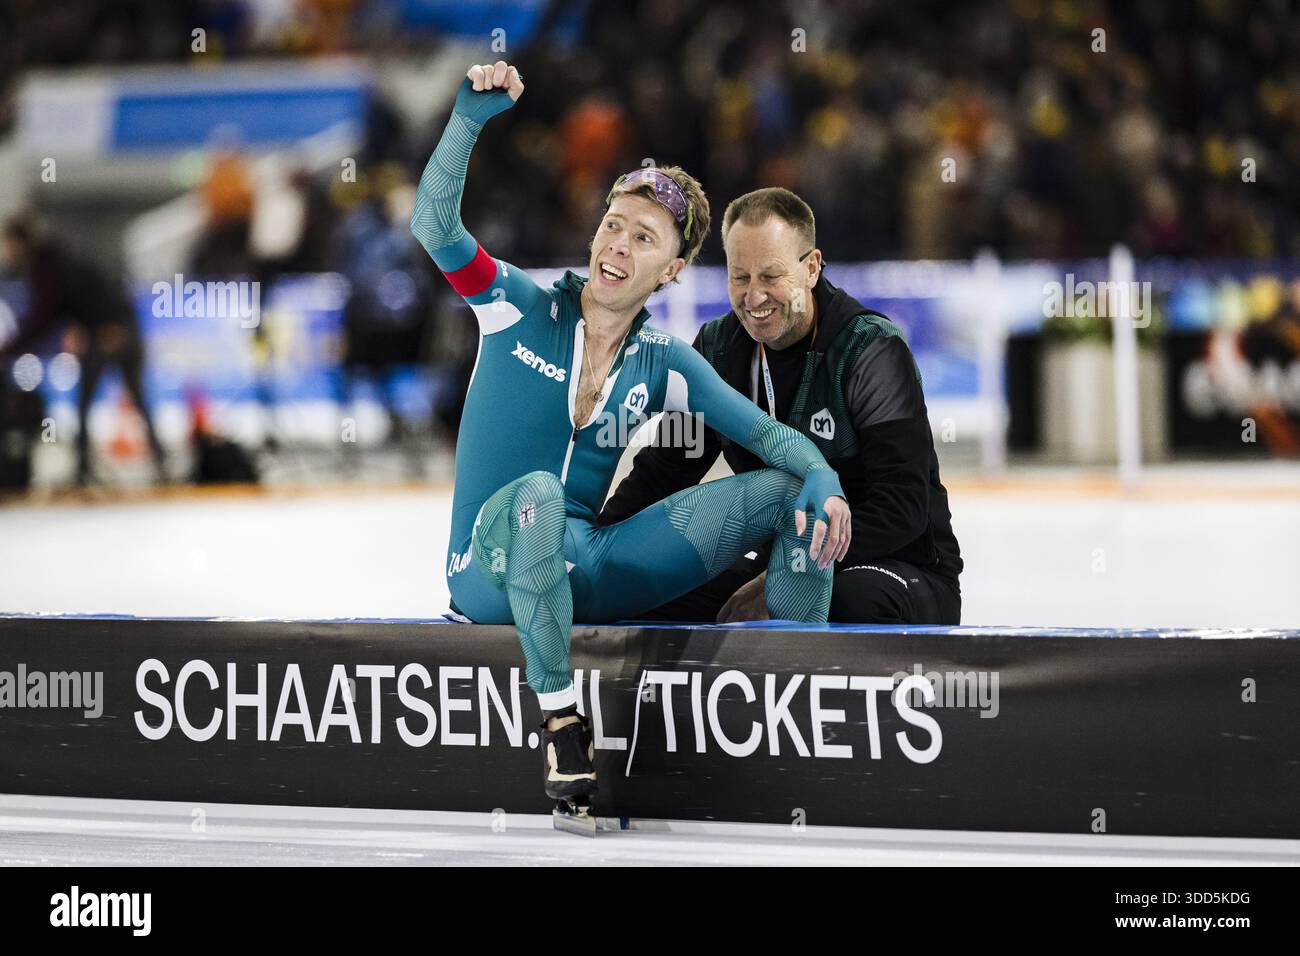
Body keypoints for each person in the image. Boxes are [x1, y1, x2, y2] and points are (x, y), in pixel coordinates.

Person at [411, 62, 851, 816]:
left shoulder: (663, 363)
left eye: (641, 236)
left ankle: (797, 704)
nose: (616, 243)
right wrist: (467, 122)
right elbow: (434, 227)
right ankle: (561, 725)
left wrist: (824, 480)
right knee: (541, 497)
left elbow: (773, 438)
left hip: (581, 564)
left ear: (672, 269)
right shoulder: (515, 306)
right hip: (487, 562)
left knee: (790, 495)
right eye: (611, 223)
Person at [601, 188, 962, 624]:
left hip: (899, 566)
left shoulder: (870, 349)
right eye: (740, 277)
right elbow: (665, 470)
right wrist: (598, 549)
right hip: (782, 561)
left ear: (811, 268)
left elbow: (901, 508)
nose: (753, 297)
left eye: (770, 276)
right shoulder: (717, 349)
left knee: (846, 601)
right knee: (643, 590)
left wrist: (789, 573)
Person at [0, 214, 166, 486]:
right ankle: (99, 466)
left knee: (95, 400)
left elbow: (48, 313)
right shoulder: (55, 260)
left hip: (111, 329)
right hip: (114, 326)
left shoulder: (48, 265)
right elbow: (75, 300)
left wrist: (12, 347)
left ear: (20, 241)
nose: (7, 252)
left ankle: (86, 468)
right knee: (127, 398)